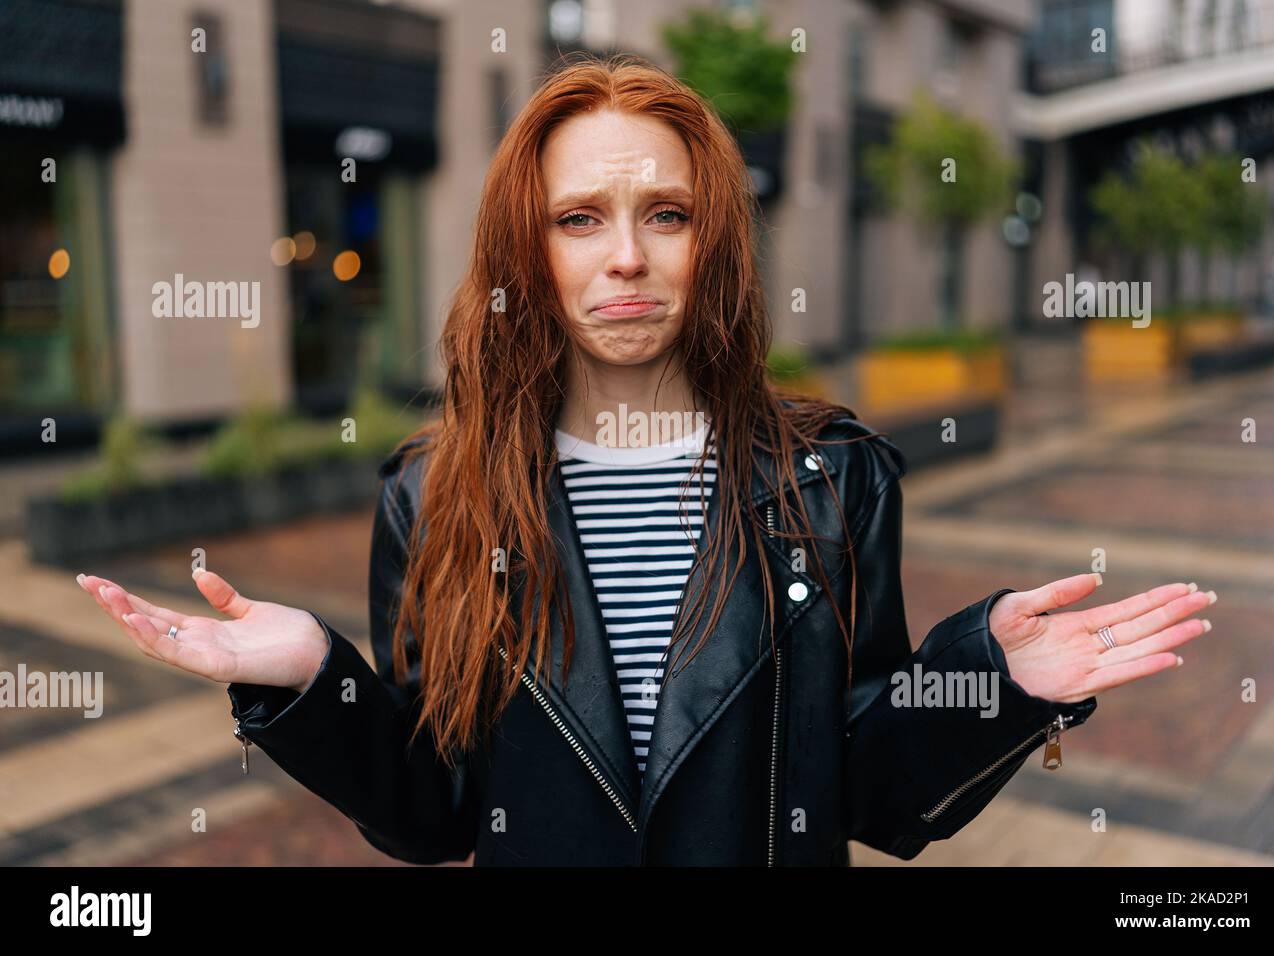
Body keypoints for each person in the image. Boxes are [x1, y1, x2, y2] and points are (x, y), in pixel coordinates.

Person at [74, 55, 1215, 866]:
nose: (625, 257)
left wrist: (990, 684)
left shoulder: (833, 475)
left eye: (664, 213)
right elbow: (436, 812)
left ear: (710, 239)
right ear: (525, 246)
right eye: (578, 219)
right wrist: (314, 675)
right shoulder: (433, 494)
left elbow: (861, 790)